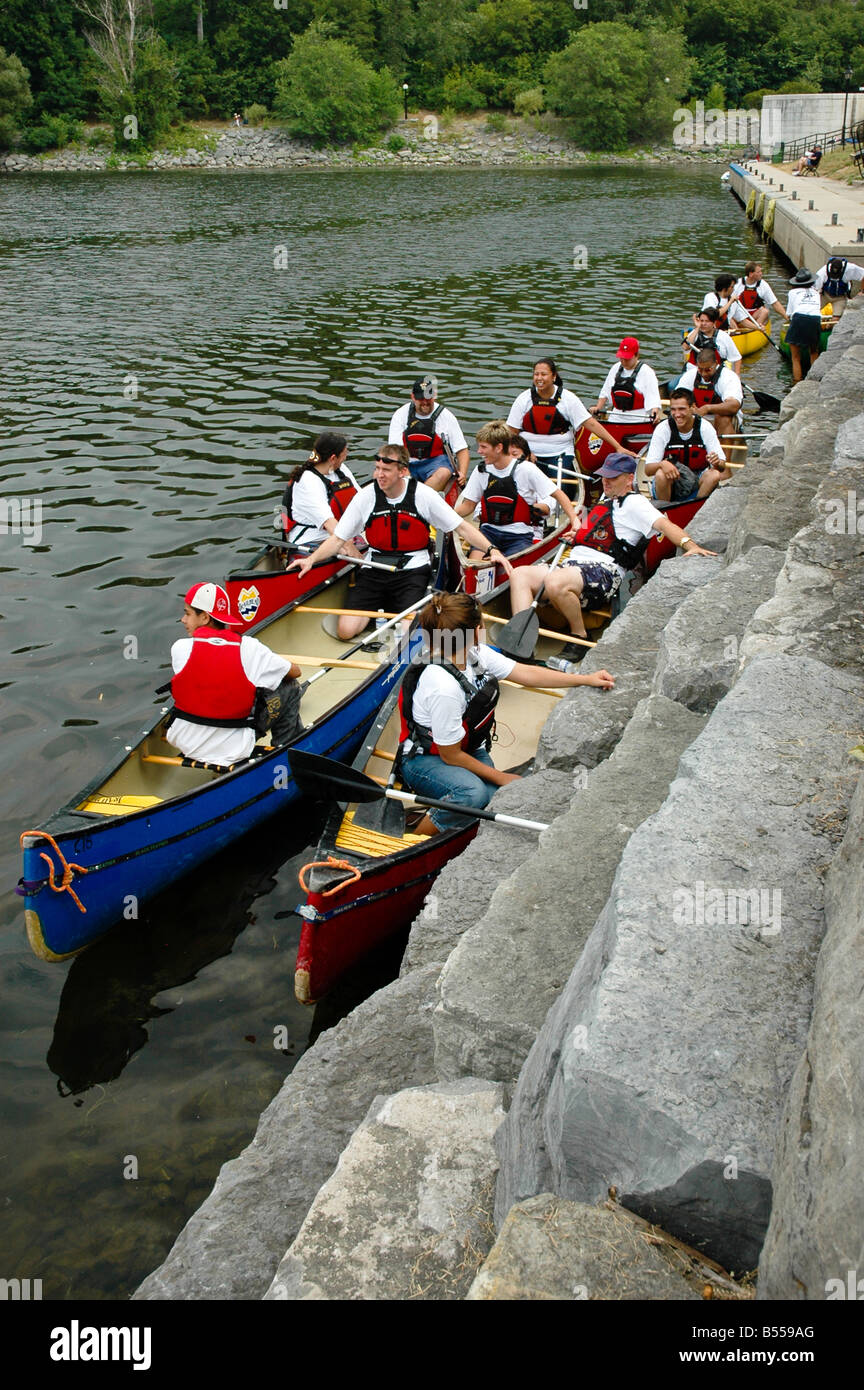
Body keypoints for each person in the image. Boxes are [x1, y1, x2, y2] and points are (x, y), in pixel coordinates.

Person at [397, 591, 615, 835]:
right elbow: (450, 756)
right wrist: (501, 777)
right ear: (475, 630)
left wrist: (585, 679)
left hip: (467, 749)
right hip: (425, 759)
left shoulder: (475, 654)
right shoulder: (442, 687)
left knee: (493, 799)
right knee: (473, 795)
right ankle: (414, 837)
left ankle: (440, 815)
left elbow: (527, 674)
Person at [287, 445, 511, 640]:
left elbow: (461, 527)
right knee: (345, 631)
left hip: (412, 571)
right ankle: (384, 613)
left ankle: (400, 616)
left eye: (386, 470)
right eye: (377, 469)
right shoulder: (366, 496)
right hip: (374, 568)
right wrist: (311, 560)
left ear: (403, 471)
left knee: (408, 634)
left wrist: (492, 549)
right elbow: (338, 539)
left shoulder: (424, 496)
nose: (379, 475)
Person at [508, 454, 716, 659]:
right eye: (604, 476)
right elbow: (590, 534)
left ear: (628, 479)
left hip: (604, 572)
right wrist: (578, 536)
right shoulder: (606, 501)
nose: (605, 481)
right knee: (519, 574)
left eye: (613, 477)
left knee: (554, 582)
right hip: (572, 564)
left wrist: (690, 545)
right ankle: (521, 639)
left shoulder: (635, 503)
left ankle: (579, 636)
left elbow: (665, 525)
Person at [165, 582, 303, 769]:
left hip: (186, 743)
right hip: (235, 749)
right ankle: (287, 754)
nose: (183, 619)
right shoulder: (250, 647)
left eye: (187, 613)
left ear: (205, 617)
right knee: (292, 687)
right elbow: (295, 671)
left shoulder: (179, 648)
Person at [454, 419, 577, 558]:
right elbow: (468, 506)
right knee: (475, 563)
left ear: (499, 448)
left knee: (516, 568)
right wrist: (445, 515)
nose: (479, 451)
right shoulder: (481, 470)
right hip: (488, 533)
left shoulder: (526, 469)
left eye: (483, 447)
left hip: (519, 535)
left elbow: (558, 494)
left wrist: (575, 520)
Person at [506, 356, 638, 484]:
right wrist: (525, 452)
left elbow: (590, 423)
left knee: (560, 487)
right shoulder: (523, 399)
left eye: (544, 374)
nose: (539, 378)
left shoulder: (568, 399)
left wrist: (618, 447)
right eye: (536, 374)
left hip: (559, 453)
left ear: (554, 376)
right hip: (528, 452)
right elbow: (511, 432)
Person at [643, 387, 729, 501]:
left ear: (692, 408)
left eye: (681, 409)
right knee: (660, 474)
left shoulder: (705, 427)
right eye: (673, 409)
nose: (677, 414)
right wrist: (662, 464)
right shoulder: (663, 429)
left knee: (714, 475)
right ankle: (665, 509)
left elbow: (722, 467)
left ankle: (696, 507)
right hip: (672, 482)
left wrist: (717, 462)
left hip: (696, 481)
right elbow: (648, 470)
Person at [280, 431, 361, 550]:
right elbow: (329, 523)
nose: (346, 455)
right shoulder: (308, 481)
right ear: (333, 458)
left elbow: (362, 498)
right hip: (311, 541)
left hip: (340, 535)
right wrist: (351, 549)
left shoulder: (340, 469)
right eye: (345, 453)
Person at [388, 374, 470, 492]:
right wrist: (406, 474)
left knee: (444, 473)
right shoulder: (400, 415)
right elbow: (394, 451)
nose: (425, 402)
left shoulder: (446, 416)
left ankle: (417, 498)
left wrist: (462, 473)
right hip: (407, 462)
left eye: (428, 398)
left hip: (435, 464)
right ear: (413, 397)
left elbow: (462, 450)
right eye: (421, 399)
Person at [590, 337, 663, 425]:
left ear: (637, 355)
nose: (623, 361)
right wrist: (598, 407)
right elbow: (606, 391)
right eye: (621, 358)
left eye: (627, 358)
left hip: (638, 419)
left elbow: (653, 397)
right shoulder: (615, 368)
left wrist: (654, 413)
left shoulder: (647, 372)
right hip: (616, 416)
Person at [678, 348, 743, 439]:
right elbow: (677, 398)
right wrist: (690, 407)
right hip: (697, 417)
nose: (704, 374)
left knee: (723, 418)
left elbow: (734, 406)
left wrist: (707, 408)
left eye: (708, 370)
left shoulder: (728, 377)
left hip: (721, 421)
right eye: (700, 369)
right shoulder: (690, 375)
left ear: (716, 364)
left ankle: (723, 452)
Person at [785, 267, 824, 382]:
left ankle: (797, 382)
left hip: (799, 319)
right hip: (815, 319)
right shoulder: (816, 293)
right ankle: (814, 381)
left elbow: (789, 314)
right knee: (814, 352)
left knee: (796, 358)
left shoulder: (792, 292)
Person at [683, 307, 743, 375]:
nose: (703, 324)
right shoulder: (695, 333)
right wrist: (697, 328)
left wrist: (737, 376)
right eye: (701, 321)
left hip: (716, 372)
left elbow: (737, 358)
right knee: (671, 385)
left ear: (714, 323)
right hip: (694, 371)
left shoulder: (723, 337)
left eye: (707, 321)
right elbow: (685, 347)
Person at [731, 262, 789, 329]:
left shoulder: (763, 285)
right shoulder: (738, 284)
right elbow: (730, 301)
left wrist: (786, 317)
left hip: (755, 315)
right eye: (758, 272)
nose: (761, 274)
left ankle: (756, 329)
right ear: (750, 274)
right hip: (740, 314)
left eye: (761, 271)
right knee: (728, 314)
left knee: (765, 311)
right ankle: (737, 330)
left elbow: (775, 303)